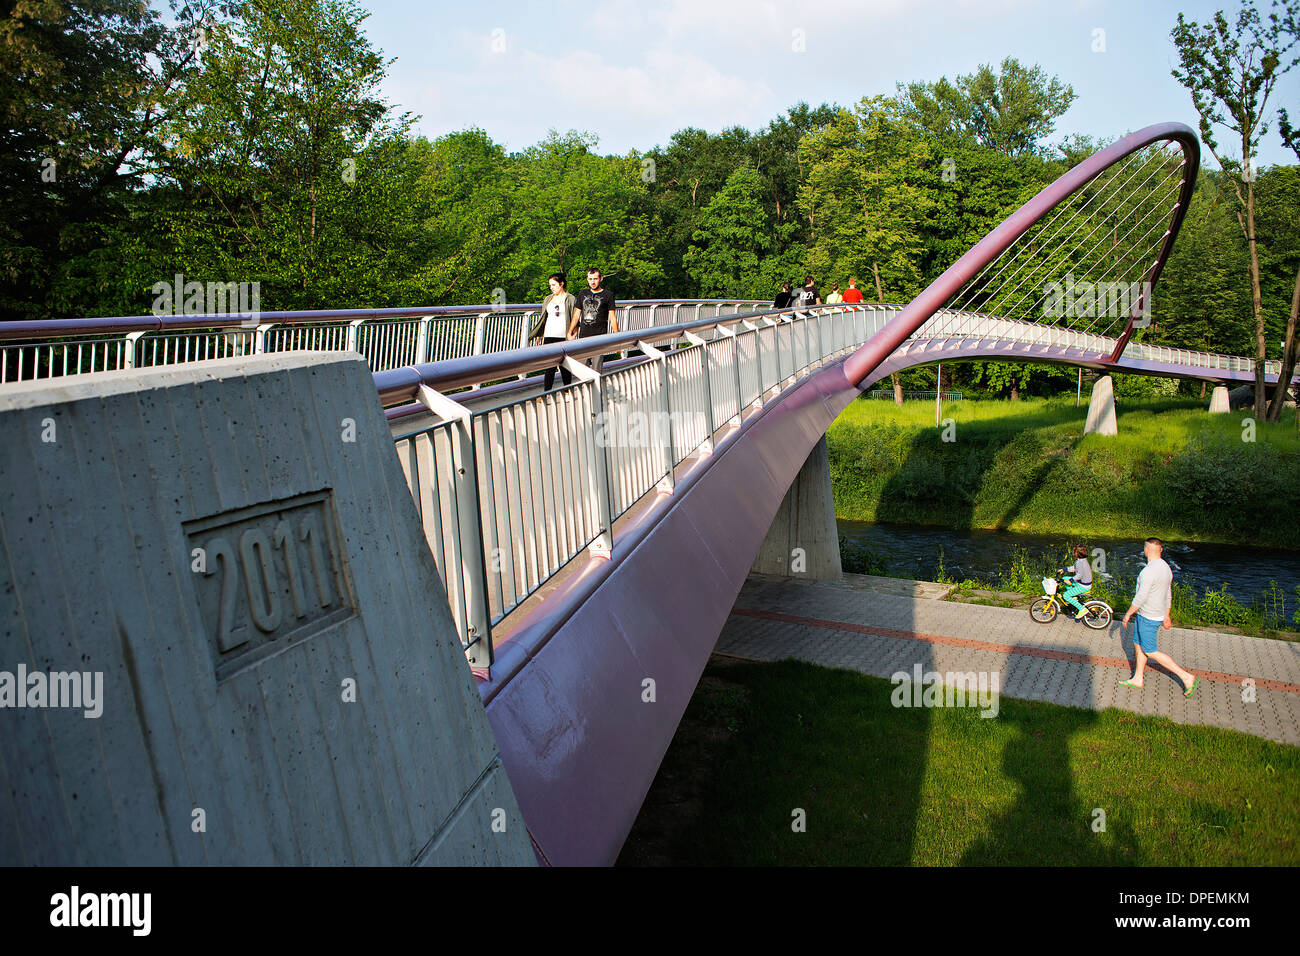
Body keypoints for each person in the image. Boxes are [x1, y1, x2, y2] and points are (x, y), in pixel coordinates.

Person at [1120, 537, 1199, 696]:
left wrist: (1128, 614)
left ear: (1146, 551)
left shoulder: (1147, 572)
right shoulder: (1166, 567)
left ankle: (1186, 677)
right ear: (1161, 550)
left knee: (1150, 651)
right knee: (1138, 644)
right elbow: (1168, 593)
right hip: (1153, 614)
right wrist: (1167, 615)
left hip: (1148, 617)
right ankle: (1138, 678)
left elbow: (1140, 597)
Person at [530, 273, 578, 391]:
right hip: (549, 334)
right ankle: (547, 392)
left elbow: (575, 318)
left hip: (563, 335)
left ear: (561, 284)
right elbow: (544, 318)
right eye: (550, 285)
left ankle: (567, 391)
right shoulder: (548, 299)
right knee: (549, 366)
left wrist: (573, 335)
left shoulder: (570, 298)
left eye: (554, 285)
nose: (551, 287)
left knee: (565, 366)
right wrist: (539, 335)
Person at [571, 266, 618, 373]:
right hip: (583, 336)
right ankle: (586, 389)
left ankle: (596, 389)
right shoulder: (582, 294)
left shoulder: (608, 295)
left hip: (599, 337)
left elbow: (612, 317)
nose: (593, 282)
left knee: (596, 370)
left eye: (595, 279)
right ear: (587, 279)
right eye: (590, 279)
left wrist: (617, 337)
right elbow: (576, 314)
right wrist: (570, 331)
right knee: (582, 370)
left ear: (601, 279)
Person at [1058, 545, 1093, 621]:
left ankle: (1082, 609)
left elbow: (1079, 575)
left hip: (1083, 585)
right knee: (1064, 578)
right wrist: (1065, 569)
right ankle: (1074, 597)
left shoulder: (1081, 562)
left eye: (1073, 551)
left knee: (1065, 595)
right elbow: (1074, 568)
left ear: (1077, 553)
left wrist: (1070, 580)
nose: (1072, 553)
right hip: (1082, 583)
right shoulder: (1081, 560)